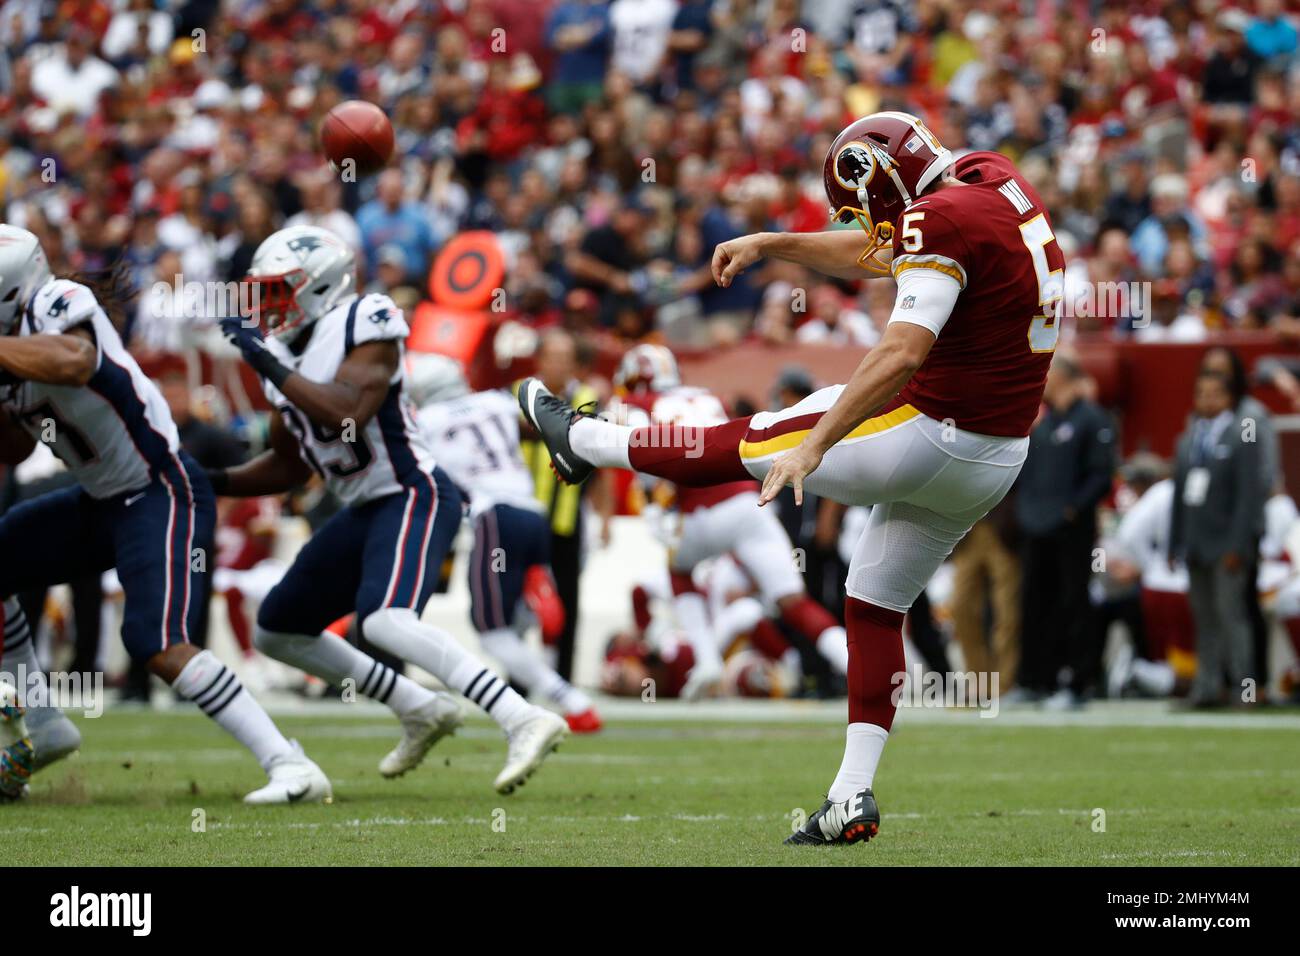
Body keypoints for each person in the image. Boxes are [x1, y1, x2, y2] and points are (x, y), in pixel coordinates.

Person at [520, 111, 1062, 845]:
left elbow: (901, 349)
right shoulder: (991, 182)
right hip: (996, 457)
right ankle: (851, 797)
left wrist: (816, 447)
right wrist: (775, 244)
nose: (868, 223)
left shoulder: (938, 221)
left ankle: (583, 440)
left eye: (862, 201)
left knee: (761, 434)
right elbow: (882, 252)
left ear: (879, 177)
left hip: (932, 430)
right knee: (872, 603)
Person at [215, 225, 567, 794]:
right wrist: (205, 481)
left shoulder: (365, 318)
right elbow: (286, 464)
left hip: (413, 491)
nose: (269, 307)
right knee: (278, 628)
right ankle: (417, 707)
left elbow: (344, 409)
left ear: (320, 288)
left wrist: (270, 365)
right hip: (361, 507)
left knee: (384, 619)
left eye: (281, 291)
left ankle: (521, 715)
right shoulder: (280, 353)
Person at [0, 224, 330, 805]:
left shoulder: (55, 301)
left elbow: (76, 361)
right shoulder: (14, 343)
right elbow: (16, 448)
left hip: (159, 487)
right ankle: (45, 721)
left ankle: (292, 765)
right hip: (102, 499)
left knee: (156, 641)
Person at [607, 344, 850, 699]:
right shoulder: (709, 397)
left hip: (698, 510)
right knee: (795, 603)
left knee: (680, 572)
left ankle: (706, 662)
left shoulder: (638, 406)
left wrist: (654, 504)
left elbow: (643, 462)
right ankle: (853, 664)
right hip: (747, 502)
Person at [410, 354, 602, 733]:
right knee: (509, 622)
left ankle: (570, 701)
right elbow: (539, 430)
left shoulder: (426, 422)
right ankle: (532, 606)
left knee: (490, 630)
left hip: (493, 516)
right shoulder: (496, 402)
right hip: (532, 512)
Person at [1013, 352, 1116, 708]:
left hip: (1072, 530)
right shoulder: (1044, 423)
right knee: (1033, 603)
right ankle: (1034, 680)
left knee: (1073, 601)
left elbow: (1101, 474)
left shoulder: (1092, 420)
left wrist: (1073, 508)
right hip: (1037, 526)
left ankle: (1077, 682)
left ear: (1067, 378)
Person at [1170, 370, 1262, 708]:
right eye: (1202, 394)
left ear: (1229, 399)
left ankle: (1245, 690)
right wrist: (1174, 542)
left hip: (1226, 544)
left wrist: (1238, 545)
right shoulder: (1189, 436)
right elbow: (1179, 493)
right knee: (1203, 618)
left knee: (1232, 618)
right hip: (1196, 542)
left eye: (1215, 394)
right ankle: (1206, 688)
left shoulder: (1242, 436)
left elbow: (1248, 498)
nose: (1207, 401)